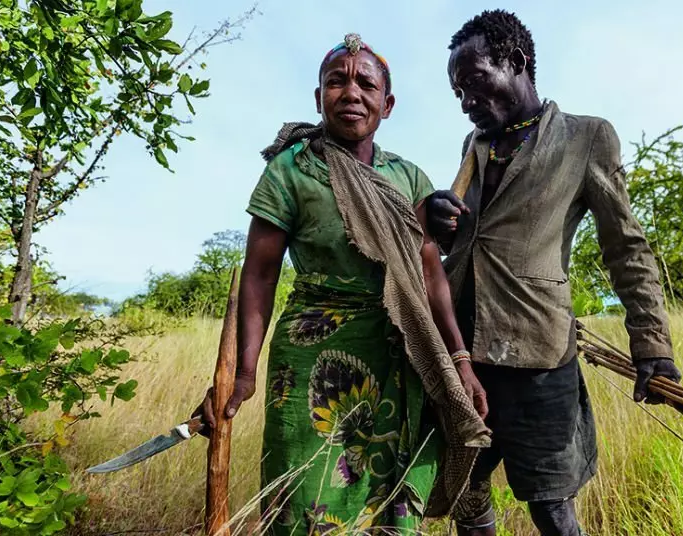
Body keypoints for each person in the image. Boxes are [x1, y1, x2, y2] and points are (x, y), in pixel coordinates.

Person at [195, 33, 491, 535]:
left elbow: (428, 273)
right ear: (319, 98)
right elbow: (261, 274)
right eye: (336, 81)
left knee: (387, 492)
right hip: (309, 358)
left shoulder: (407, 177)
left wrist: (459, 359)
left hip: (398, 351)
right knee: (302, 489)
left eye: (365, 84)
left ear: (386, 104)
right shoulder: (290, 169)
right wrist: (244, 373)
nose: (351, 92)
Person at [426, 11, 683, 536]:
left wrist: (652, 347)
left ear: (516, 62)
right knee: (465, 497)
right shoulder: (473, 147)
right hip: (461, 354)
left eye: (473, 82)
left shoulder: (585, 137)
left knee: (551, 506)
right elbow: (468, 241)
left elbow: (627, 248)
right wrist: (436, 220)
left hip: (538, 355)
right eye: (457, 92)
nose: (466, 101)